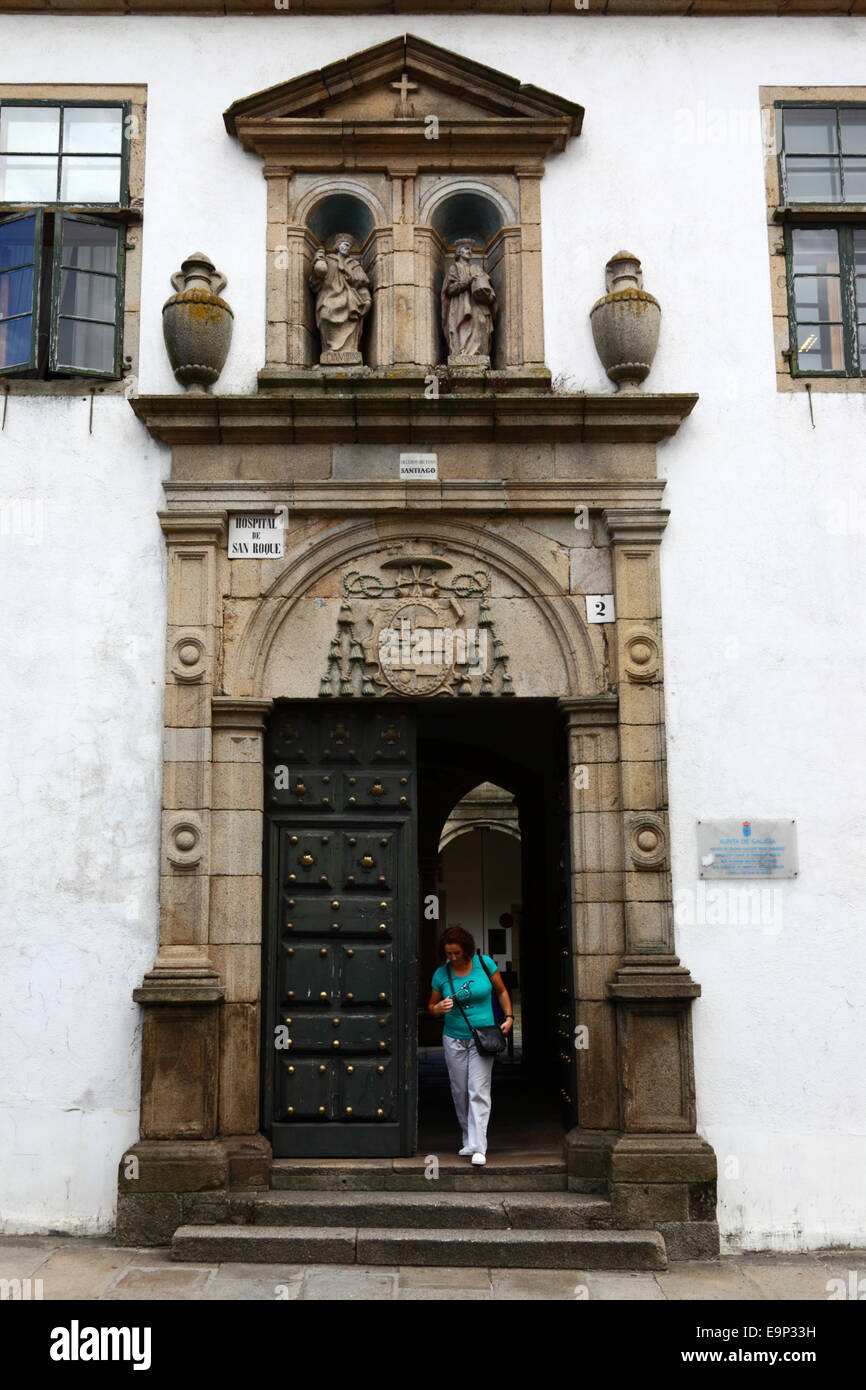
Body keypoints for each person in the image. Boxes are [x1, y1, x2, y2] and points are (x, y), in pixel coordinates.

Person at [428, 925, 513, 1166]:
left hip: (482, 1038)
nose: (453, 957)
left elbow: (502, 991)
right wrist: (439, 1008)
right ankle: (468, 1136)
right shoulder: (441, 974)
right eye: (449, 954)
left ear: (466, 949)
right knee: (460, 1090)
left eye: (456, 953)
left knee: (478, 1089)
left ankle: (479, 1146)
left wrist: (509, 1017)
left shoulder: (484, 964)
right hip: (453, 1037)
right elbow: (431, 1008)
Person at [309, 234, 371, 357]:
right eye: (345, 245)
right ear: (338, 245)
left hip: (349, 299)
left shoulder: (354, 264)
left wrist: (367, 299)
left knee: (352, 320)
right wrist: (318, 259)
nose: (346, 248)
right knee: (325, 314)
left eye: (349, 246)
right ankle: (329, 351)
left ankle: (350, 352)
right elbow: (316, 278)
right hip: (329, 296)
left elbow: (362, 284)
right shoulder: (328, 260)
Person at [440, 238, 497, 360]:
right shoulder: (454, 268)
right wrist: (468, 281)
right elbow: (450, 289)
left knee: (481, 322)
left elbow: (486, 285)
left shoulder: (476, 268)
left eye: (470, 249)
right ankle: (462, 353)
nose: (469, 251)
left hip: (478, 304)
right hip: (461, 304)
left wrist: (485, 286)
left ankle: (478, 353)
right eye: (466, 248)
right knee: (465, 325)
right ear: (459, 252)